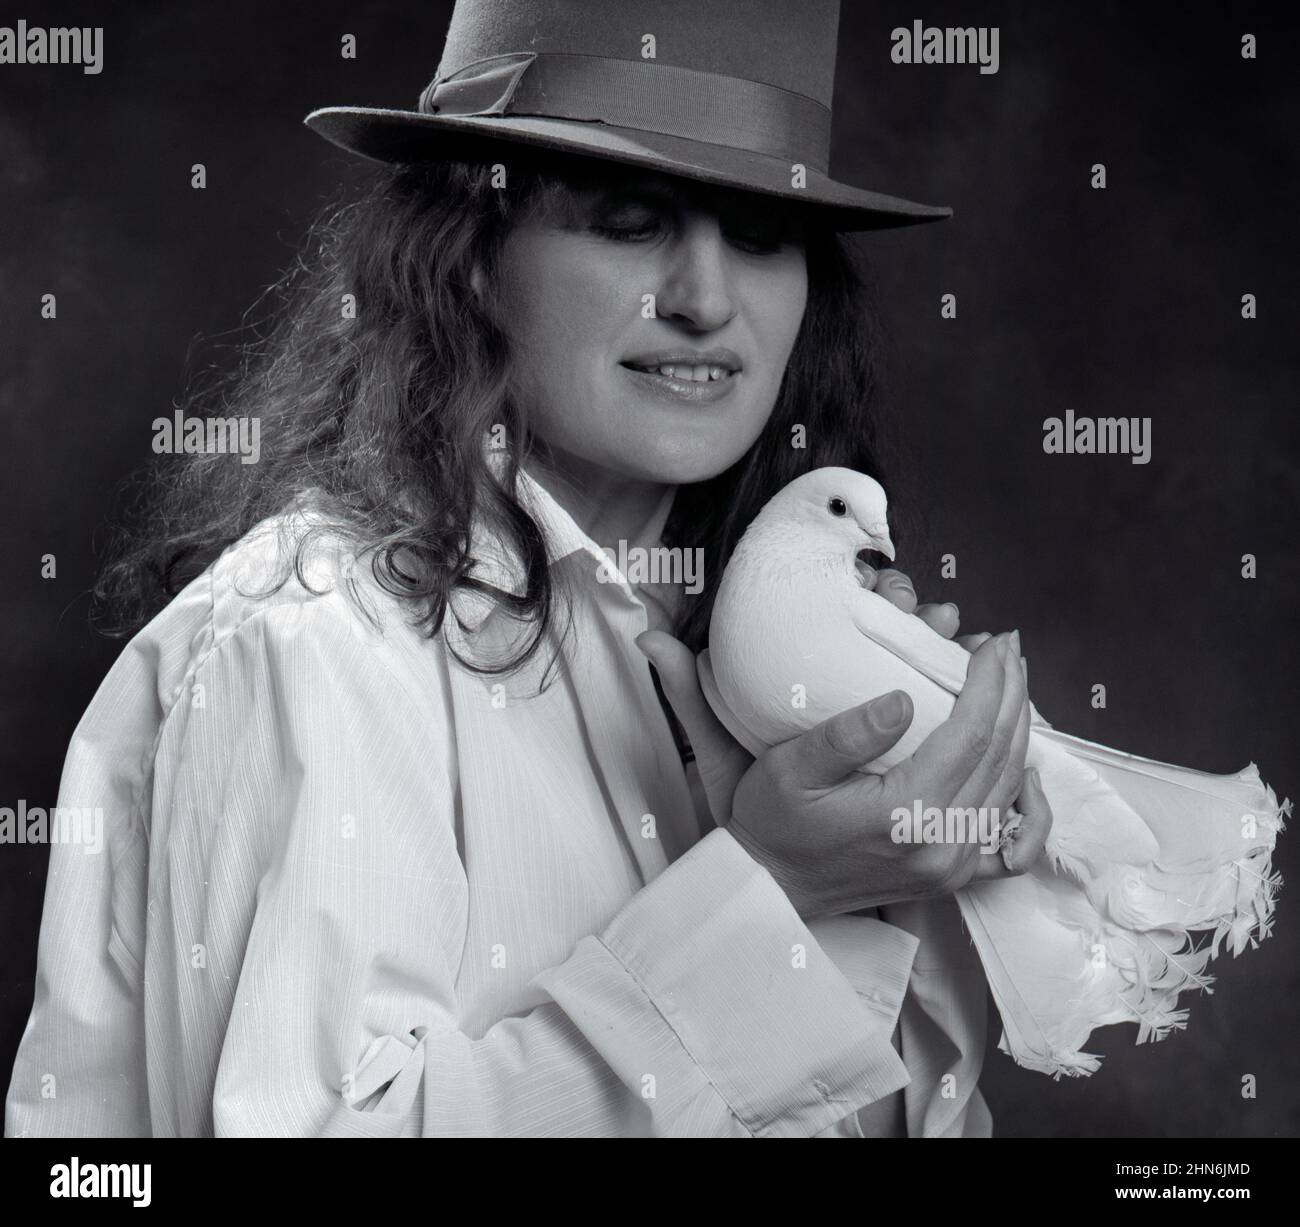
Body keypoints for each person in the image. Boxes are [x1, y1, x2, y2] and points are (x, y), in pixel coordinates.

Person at [5, 0, 1051, 1138]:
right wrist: (777, 897)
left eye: (758, 235)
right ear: (467, 258)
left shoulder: (754, 650)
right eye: (627, 220)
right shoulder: (317, 636)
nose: (705, 301)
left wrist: (904, 868)